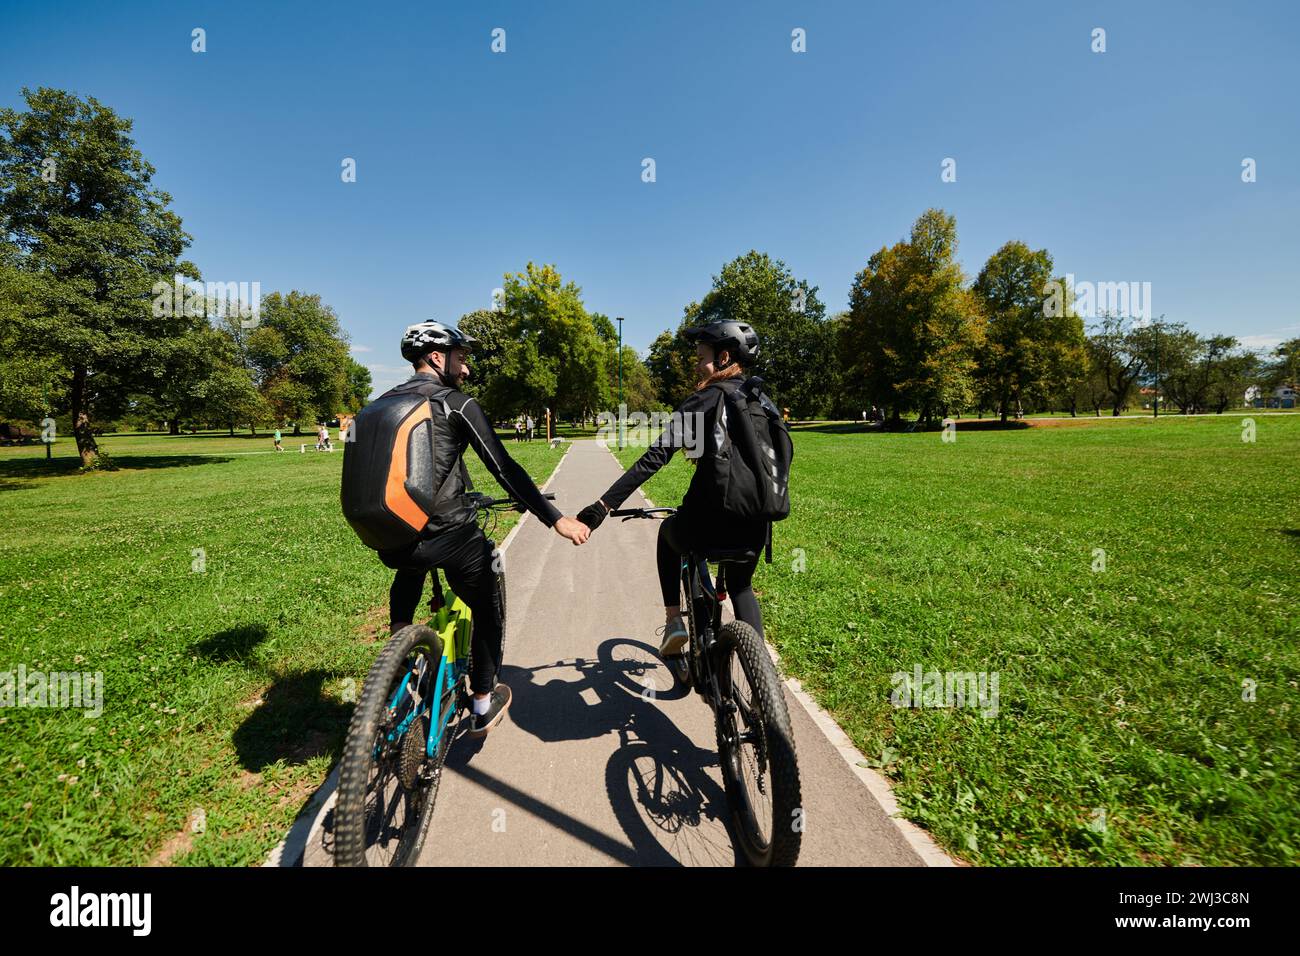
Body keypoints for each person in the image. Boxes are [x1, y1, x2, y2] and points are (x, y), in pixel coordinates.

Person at [378, 320, 589, 736]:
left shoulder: (383, 403)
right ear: (437, 358)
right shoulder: (455, 403)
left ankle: (396, 655)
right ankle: (481, 703)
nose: (467, 369)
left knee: (412, 561)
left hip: (391, 537)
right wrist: (555, 518)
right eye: (462, 358)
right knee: (488, 602)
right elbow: (504, 468)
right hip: (449, 536)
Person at [577, 319, 768, 662]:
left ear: (723, 358)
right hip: (758, 523)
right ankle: (762, 683)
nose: (696, 365)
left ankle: (672, 622)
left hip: (709, 523)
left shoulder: (706, 398)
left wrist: (603, 505)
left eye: (701, 357)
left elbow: (655, 457)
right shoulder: (761, 401)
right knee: (741, 586)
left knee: (669, 535)